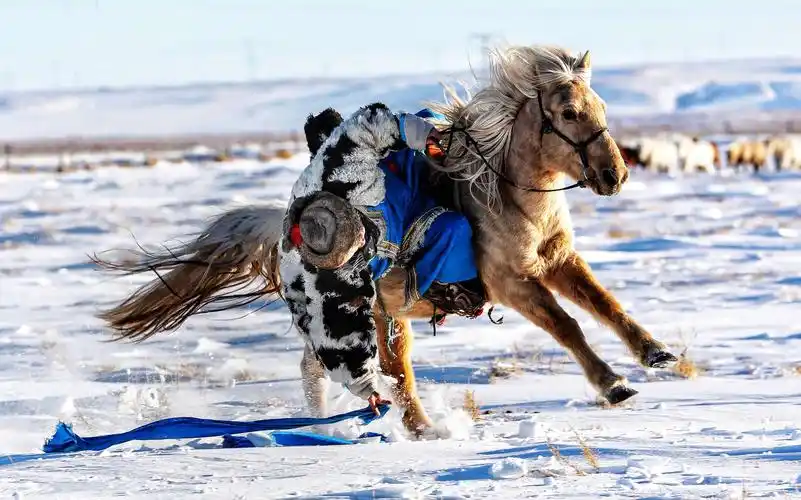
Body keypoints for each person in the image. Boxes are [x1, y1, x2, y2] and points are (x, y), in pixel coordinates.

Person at [280, 103, 486, 413]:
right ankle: (316, 412)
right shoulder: (325, 272)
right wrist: (367, 388)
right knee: (316, 344)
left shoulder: (343, 168)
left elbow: (373, 125)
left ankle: (445, 289)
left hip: (401, 211)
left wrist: (426, 136)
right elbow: (336, 329)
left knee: (453, 227)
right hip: (373, 251)